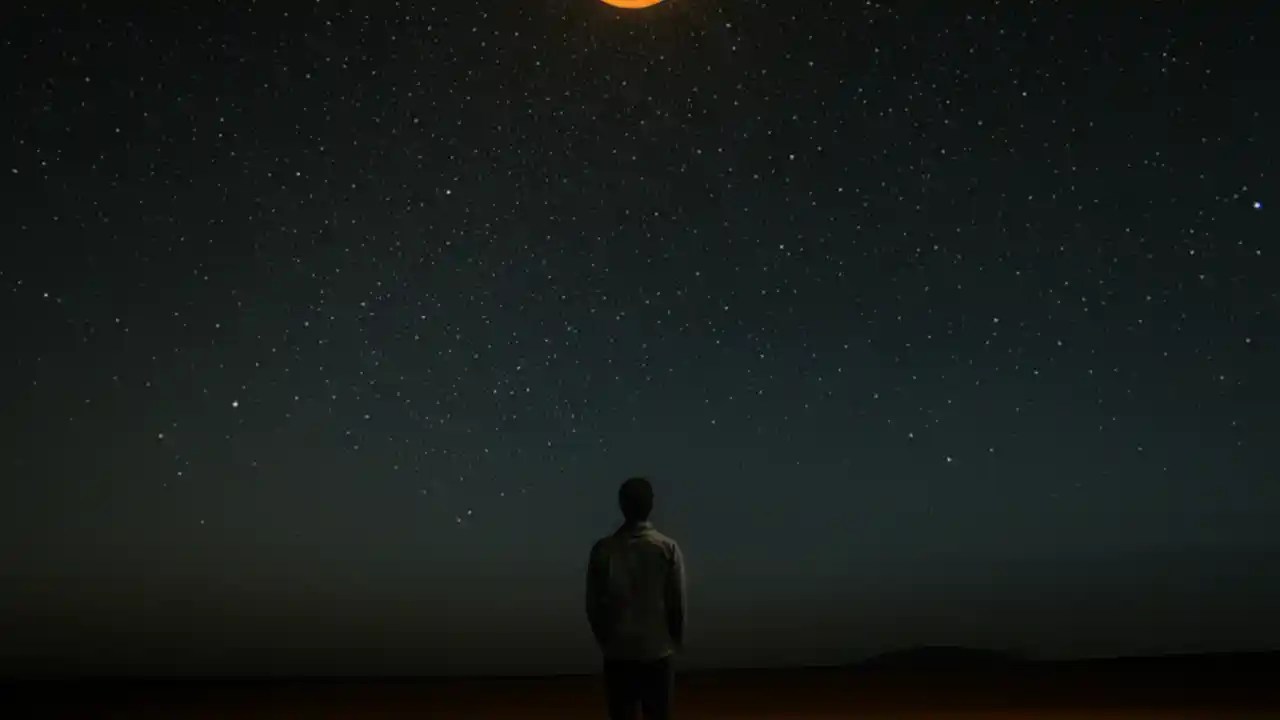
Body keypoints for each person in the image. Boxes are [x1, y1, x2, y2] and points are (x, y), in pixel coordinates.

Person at [585, 476, 686, 720]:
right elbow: (677, 603)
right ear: (651, 504)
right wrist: (674, 640)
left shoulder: (603, 550)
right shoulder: (667, 548)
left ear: (622, 505)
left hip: (619, 654)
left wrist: (607, 642)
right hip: (658, 651)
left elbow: (593, 605)